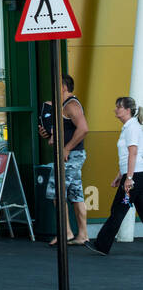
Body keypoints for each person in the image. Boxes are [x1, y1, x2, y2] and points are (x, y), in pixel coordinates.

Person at [84, 97, 142, 256]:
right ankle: (102, 244)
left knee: (119, 209)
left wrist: (128, 178)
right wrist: (120, 175)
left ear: (128, 110)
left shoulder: (131, 128)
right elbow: (126, 156)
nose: (116, 109)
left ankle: (102, 245)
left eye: (119, 107)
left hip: (134, 177)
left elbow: (133, 153)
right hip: (135, 175)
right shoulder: (128, 127)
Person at [38, 74, 88, 245]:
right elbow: (60, 134)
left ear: (64, 87)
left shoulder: (71, 105)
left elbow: (83, 129)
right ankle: (82, 235)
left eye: (56, 85)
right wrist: (47, 136)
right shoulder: (62, 106)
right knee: (76, 194)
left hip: (70, 156)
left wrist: (66, 148)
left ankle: (65, 232)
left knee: (57, 193)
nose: (53, 88)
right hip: (72, 155)